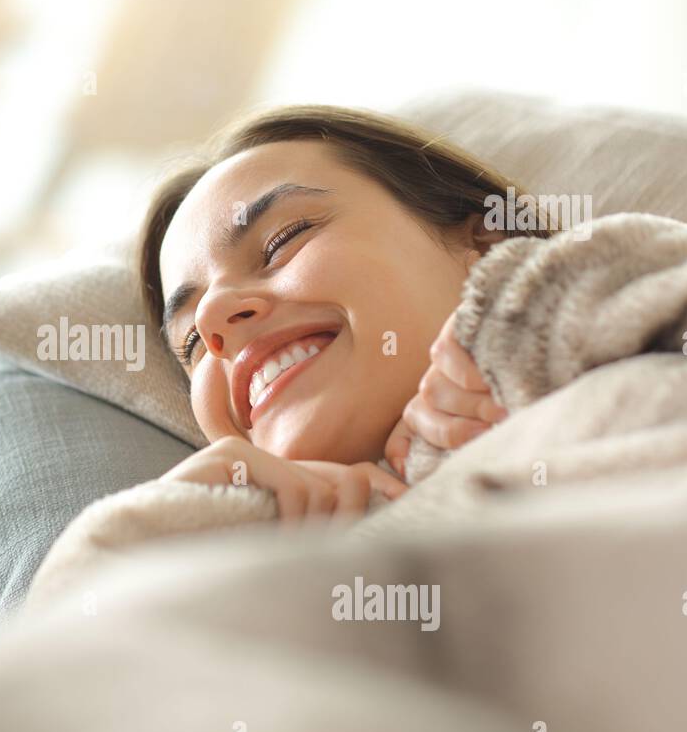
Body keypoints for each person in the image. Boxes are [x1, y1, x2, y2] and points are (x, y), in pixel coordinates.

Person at [137, 105, 555, 520]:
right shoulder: (206, 556)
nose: (212, 318)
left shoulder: (605, 315)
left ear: (487, 246)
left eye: (282, 240)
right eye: (192, 341)